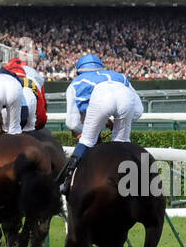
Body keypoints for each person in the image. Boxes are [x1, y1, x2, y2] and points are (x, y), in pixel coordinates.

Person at [57, 53, 144, 196]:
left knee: (87, 140)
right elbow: (138, 112)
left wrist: (84, 131)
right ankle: (135, 183)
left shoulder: (76, 82)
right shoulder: (120, 76)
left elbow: (72, 123)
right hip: (124, 96)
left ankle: (67, 182)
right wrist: (115, 124)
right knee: (121, 142)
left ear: (79, 71)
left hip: (101, 98)